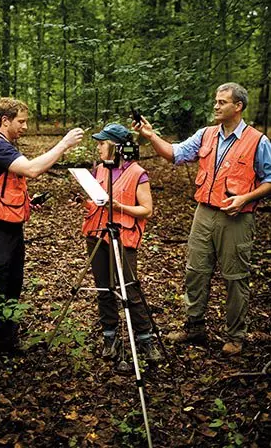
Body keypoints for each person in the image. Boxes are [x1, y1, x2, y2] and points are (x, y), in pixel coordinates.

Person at [133, 82, 271, 357]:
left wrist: (245, 199)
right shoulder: (206, 135)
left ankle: (235, 336)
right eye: (216, 101)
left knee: (235, 277)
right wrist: (151, 136)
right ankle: (194, 326)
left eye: (222, 102)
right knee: (195, 271)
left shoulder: (258, 141)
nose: (216, 106)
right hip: (204, 213)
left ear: (238, 106)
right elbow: (175, 153)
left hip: (236, 218)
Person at [0, 97, 84, 371]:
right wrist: (63, 144)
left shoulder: (1, 139)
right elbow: (32, 170)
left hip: (12, 227)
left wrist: (26, 202)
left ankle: (6, 341)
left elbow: (10, 180)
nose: (25, 126)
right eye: (21, 121)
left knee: (12, 286)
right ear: (6, 121)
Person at [72, 123, 161, 363]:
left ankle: (145, 340)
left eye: (102, 143)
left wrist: (119, 207)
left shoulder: (137, 173)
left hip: (122, 236)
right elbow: (96, 201)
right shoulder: (98, 169)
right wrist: (85, 202)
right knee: (104, 288)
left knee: (129, 288)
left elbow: (147, 210)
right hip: (96, 233)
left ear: (116, 146)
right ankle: (110, 336)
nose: (98, 147)